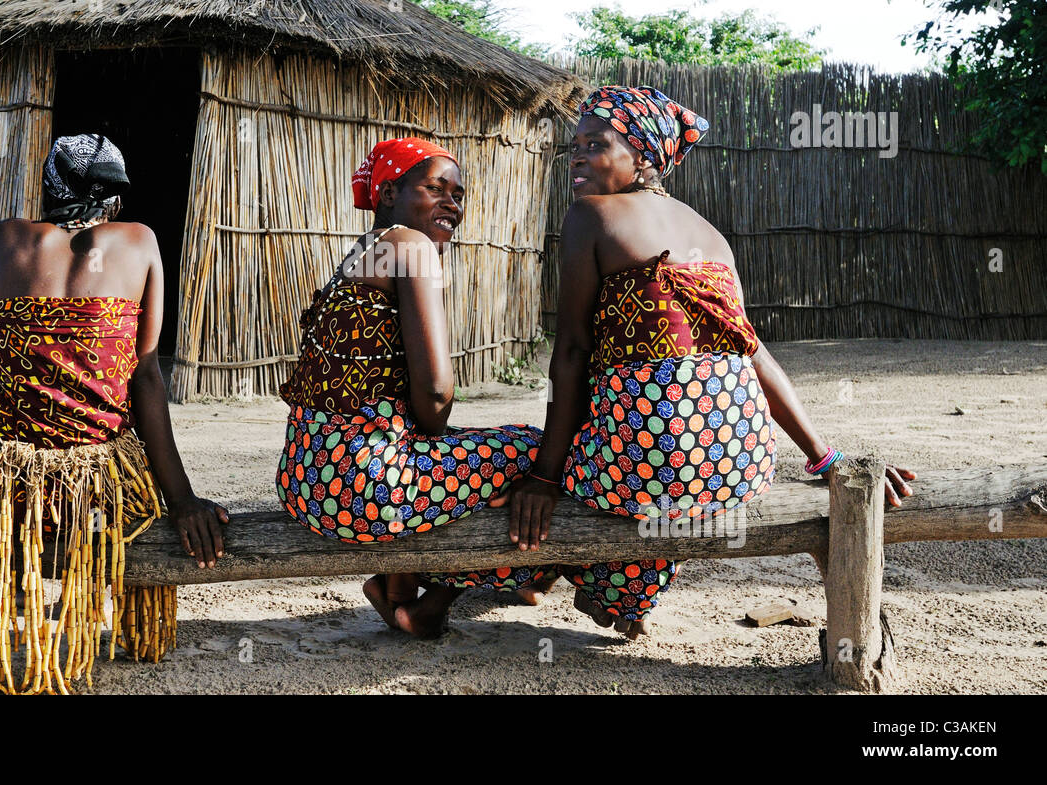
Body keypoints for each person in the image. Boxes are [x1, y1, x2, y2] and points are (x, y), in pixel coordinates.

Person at [459, 85, 918, 638]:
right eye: (574, 144)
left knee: (518, 458)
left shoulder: (591, 215)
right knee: (637, 477)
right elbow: (754, 352)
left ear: (645, 157)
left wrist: (544, 475)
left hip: (652, 466)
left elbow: (573, 352)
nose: (577, 155)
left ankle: (443, 582)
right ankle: (607, 598)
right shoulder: (711, 235)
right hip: (739, 466)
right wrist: (825, 458)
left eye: (597, 143)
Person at [0, 133, 228, 693]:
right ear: (116, 201)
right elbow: (146, 375)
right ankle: (120, 632)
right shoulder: (140, 241)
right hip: (98, 491)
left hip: (6, 490)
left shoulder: (9, 239)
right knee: (134, 497)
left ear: (48, 189)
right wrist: (181, 501)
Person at [276, 137, 553, 638]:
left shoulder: (361, 256)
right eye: (435, 188)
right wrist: (432, 438)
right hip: (362, 488)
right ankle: (483, 583)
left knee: (444, 455)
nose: (453, 202)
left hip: (304, 481)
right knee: (538, 455)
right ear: (387, 194)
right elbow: (436, 393)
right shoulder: (410, 245)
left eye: (459, 194)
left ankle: (403, 594)